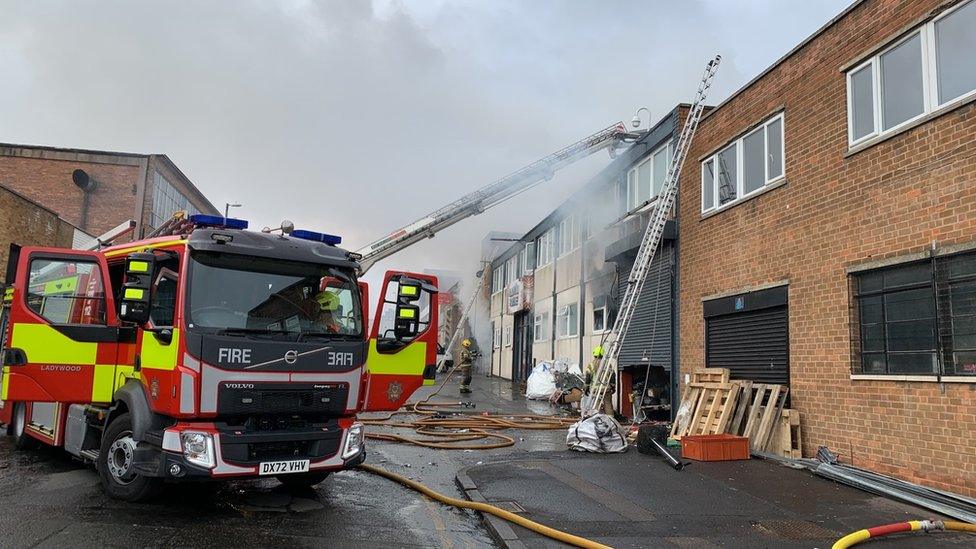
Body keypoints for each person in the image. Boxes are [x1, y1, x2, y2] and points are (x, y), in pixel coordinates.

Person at [584, 345, 615, 416]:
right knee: (608, 404)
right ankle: (611, 419)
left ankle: (596, 419)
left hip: (595, 389)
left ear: (594, 354)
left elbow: (588, 378)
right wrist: (613, 386)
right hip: (606, 389)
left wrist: (586, 388)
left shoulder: (591, 365)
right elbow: (612, 376)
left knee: (596, 405)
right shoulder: (607, 364)